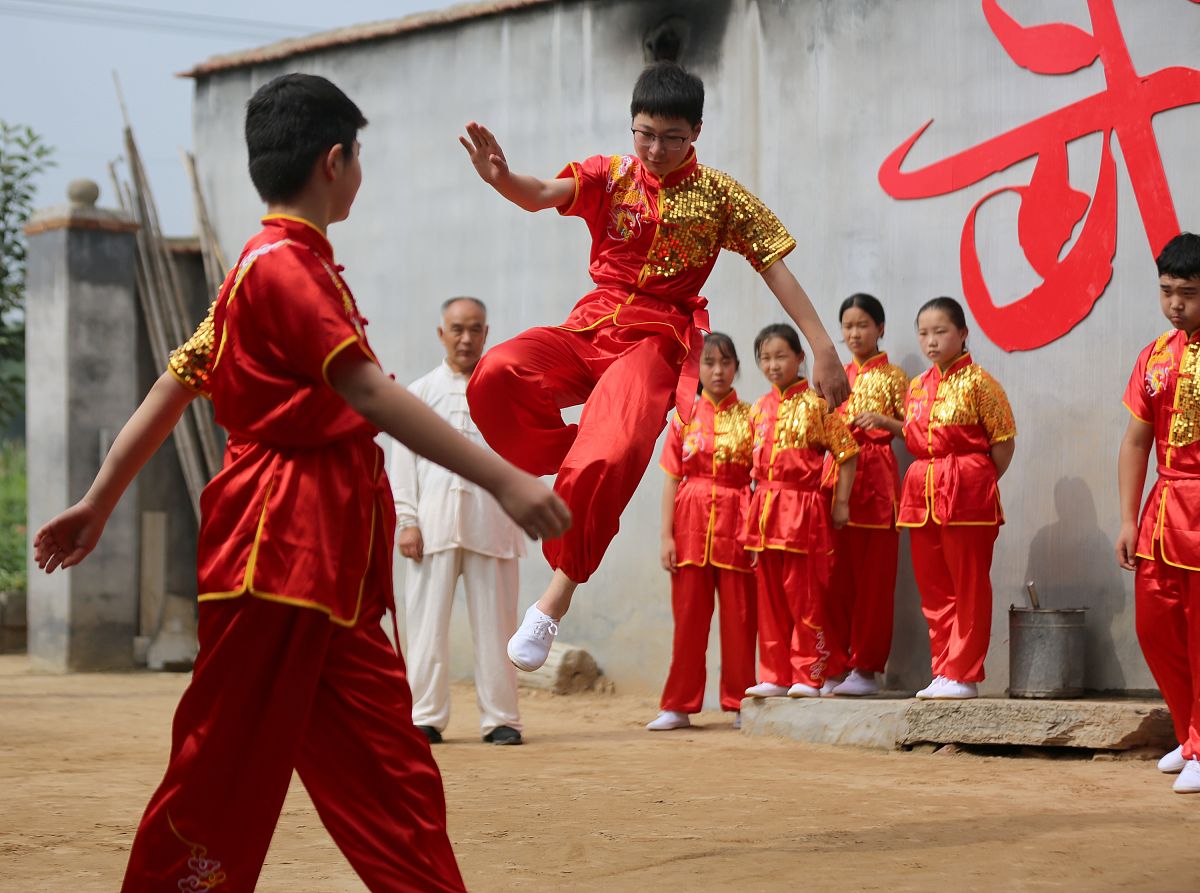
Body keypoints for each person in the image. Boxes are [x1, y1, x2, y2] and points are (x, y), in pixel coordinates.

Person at [32, 74, 569, 892]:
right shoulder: (283, 268)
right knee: (222, 767)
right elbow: (366, 391)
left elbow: (175, 383)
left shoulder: (274, 270)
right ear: (334, 161)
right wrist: (507, 480)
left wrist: (98, 500)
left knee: (395, 774)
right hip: (275, 553)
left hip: (329, 564)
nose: (360, 172)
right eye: (360, 157)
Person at [458, 60, 850, 672]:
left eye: (672, 137)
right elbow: (540, 194)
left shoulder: (720, 197)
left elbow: (774, 266)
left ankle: (555, 597)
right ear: (632, 126)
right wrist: (503, 178)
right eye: (645, 134)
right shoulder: (610, 174)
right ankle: (570, 455)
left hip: (656, 342)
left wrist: (822, 345)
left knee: (612, 449)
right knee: (497, 372)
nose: (656, 149)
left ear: (696, 132)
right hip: (593, 323)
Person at [392, 296, 525, 746]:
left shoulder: (505, 391)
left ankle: (502, 719)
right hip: (432, 527)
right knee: (426, 627)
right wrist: (406, 521)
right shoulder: (419, 393)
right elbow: (403, 462)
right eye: (457, 329)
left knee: (498, 627)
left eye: (474, 329)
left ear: (487, 334)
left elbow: (524, 454)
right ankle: (424, 716)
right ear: (441, 333)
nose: (466, 338)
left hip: (494, 524)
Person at [1115, 232, 1200, 794]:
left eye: (1187, 294)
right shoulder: (1154, 355)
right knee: (1156, 627)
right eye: (1167, 291)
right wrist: (1127, 519)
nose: (1174, 304)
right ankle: (1190, 732)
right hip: (1163, 509)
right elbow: (1135, 441)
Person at [898, 297, 1015, 701]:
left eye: (940, 331)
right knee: (934, 586)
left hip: (966, 489)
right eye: (923, 333)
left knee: (968, 585)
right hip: (922, 489)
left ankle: (964, 672)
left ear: (963, 334)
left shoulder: (982, 383)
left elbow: (1003, 444)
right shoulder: (916, 387)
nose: (931, 341)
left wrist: (976, 480)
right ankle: (943, 669)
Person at [742, 324, 858, 699]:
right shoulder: (758, 408)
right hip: (765, 510)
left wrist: (840, 502)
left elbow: (847, 453)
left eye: (781, 356)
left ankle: (808, 673)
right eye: (765, 358)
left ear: (800, 357)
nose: (773, 365)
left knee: (804, 594)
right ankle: (774, 674)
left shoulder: (817, 404)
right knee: (770, 596)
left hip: (803, 508)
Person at [648, 332, 757, 731]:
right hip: (690, 525)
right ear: (697, 370)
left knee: (741, 621)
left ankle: (742, 703)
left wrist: (757, 534)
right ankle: (677, 705)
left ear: (736, 368)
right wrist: (666, 536)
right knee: (689, 621)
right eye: (709, 363)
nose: (718, 371)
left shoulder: (752, 417)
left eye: (725, 363)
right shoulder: (684, 417)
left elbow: (760, 477)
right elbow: (671, 479)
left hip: (738, 522)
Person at [823, 294, 909, 697]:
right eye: (848, 326)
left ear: (880, 328)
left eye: (863, 325)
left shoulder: (895, 377)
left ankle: (866, 668)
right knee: (833, 578)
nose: (855, 333)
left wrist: (884, 421)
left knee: (874, 582)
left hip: (876, 480)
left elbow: (916, 430)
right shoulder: (835, 376)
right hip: (834, 480)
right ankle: (833, 665)